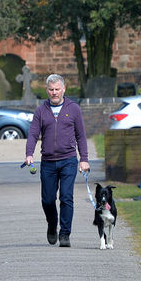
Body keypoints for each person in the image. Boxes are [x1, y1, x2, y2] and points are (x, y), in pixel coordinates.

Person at [24, 73, 89, 247]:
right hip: (48, 162)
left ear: (64, 89)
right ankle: (52, 225)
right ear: (47, 90)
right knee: (47, 200)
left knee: (66, 197)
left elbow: (81, 136)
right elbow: (33, 134)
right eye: (51, 89)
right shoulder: (41, 110)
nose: (54, 93)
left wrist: (84, 159)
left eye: (57, 89)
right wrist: (29, 154)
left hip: (68, 160)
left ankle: (65, 234)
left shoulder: (74, 109)